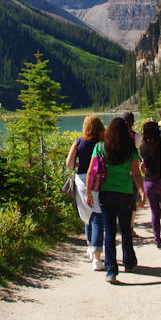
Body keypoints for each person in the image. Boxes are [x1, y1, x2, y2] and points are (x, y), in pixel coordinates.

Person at [87, 117, 145, 284]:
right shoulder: (131, 150)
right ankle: (129, 262)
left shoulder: (100, 147)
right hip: (126, 193)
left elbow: (91, 171)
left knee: (109, 232)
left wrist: (89, 193)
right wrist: (141, 190)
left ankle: (111, 270)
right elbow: (135, 173)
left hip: (106, 194)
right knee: (126, 229)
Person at [65, 115, 106, 269]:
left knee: (86, 214)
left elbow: (69, 163)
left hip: (81, 180)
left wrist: (79, 163)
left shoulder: (78, 142)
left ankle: (90, 247)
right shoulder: (102, 143)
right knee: (97, 214)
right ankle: (96, 255)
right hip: (99, 180)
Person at [138, 121, 161, 250]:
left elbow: (144, 164)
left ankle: (157, 240)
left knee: (154, 212)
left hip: (148, 182)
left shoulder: (143, 147)